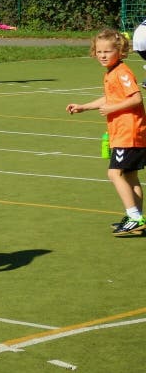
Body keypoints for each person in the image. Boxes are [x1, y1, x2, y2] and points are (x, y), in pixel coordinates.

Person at [67, 29, 146, 237]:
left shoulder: (122, 72)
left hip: (129, 131)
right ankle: (138, 217)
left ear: (119, 52)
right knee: (130, 176)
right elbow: (109, 98)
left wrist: (113, 109)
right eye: (99, 51)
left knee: (114, 173)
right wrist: (84, 107)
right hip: (124, 132)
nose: (102, 55)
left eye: (107, 51)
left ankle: (134, 217)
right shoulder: (111, 73)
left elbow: (136, 98)